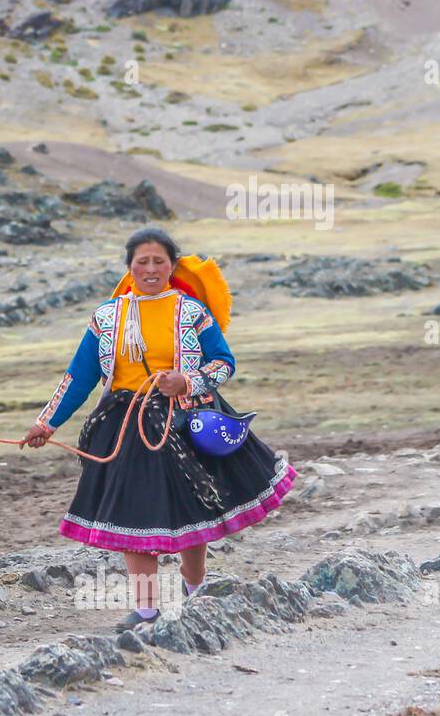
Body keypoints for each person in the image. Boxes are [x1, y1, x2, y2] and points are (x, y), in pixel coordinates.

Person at [23, 227, 297, 631]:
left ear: (172, 265)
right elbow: (79, 377)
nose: (150, 269)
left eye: (159, 261)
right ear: (129, 266)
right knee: (132, 517)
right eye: (142, 261)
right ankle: (146, 610)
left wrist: (187, 382)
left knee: (191, 509)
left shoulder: (191, 311)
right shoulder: (106, 317)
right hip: (123, 425)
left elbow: (223, 363)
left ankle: (195, 588)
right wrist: (46, 422)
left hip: (182, 420)